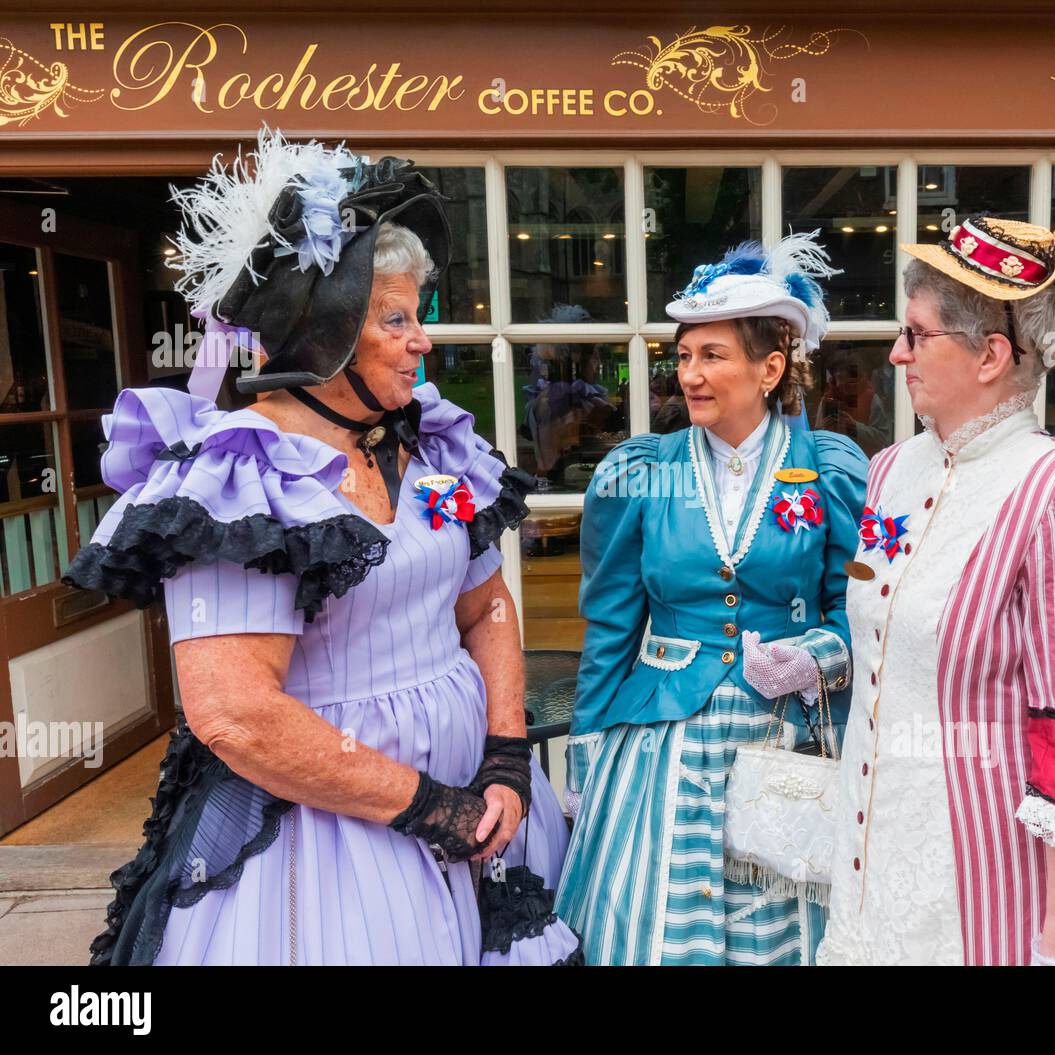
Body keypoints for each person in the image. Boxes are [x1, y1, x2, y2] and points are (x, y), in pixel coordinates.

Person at [63, 129, 579, 966]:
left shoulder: (435, 446)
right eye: (397, 319)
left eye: (421, 316)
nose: (423, 341)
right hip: (336, 840)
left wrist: (508, 757)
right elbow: (237, 714)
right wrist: (426, 807)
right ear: (321, 332)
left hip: (483, 809)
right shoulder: (242, 480)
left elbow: (484, 603)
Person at [817, 215, 1055, 966]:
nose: (896, 352)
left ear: (991, 354)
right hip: (871, 867)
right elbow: (884, 622)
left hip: (990, 899)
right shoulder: (889, 469)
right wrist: (821, 662)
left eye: (917, 334)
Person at [554, 235, 869, 964]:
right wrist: (590, 748)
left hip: (779, 741)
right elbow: (610, 625)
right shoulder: (639, 471)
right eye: (684, 356)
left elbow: (857, 611)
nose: (690, 374)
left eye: (712, 356)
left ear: (770, 368)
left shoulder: (827, 467)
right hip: (665, 744)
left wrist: (815, 655)